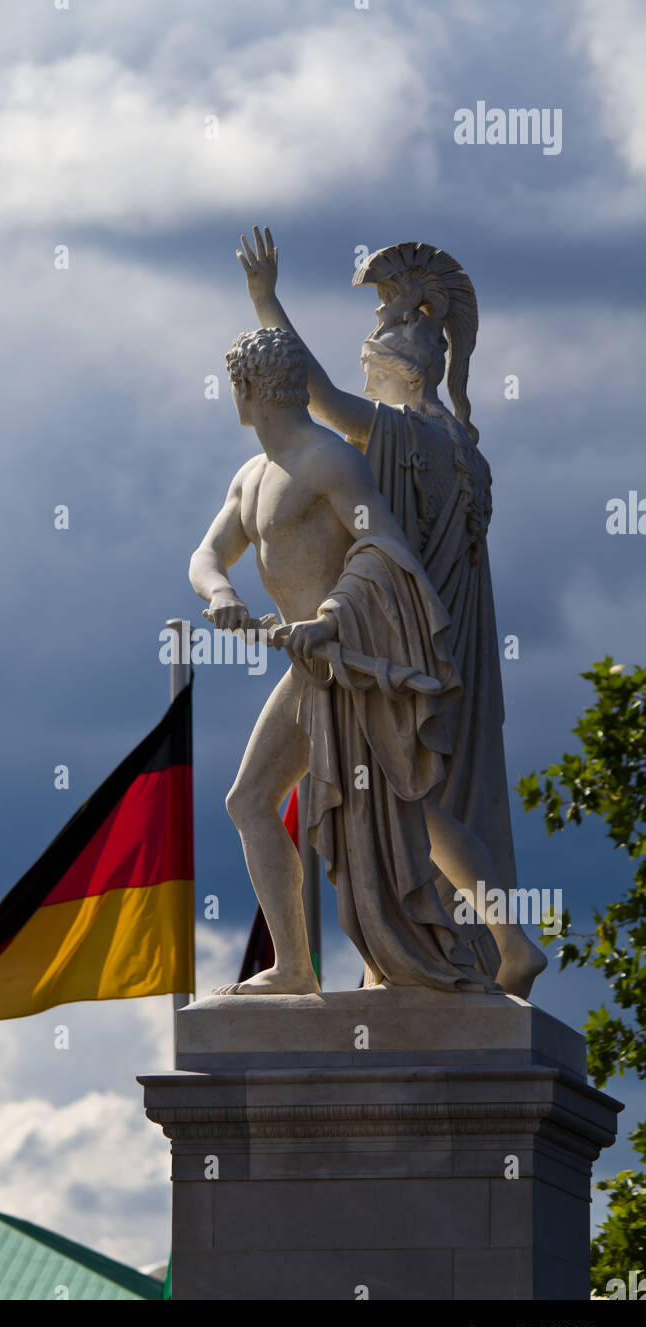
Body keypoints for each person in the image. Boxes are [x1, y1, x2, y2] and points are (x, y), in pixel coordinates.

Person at [234, 228, 546, 998]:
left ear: (408, 362)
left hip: (387, 643)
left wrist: (268, 302)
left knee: (403, 797)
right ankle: (496, 940)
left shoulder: (400, 432)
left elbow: (314, 396)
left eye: (384, 328)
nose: (371, 337)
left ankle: (486, 942)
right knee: (416, 798)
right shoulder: (461, 445)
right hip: (441, 646)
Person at [189, 325, 502, 996]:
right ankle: (296, 968)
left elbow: (385, 545)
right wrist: (221, 594)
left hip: (356, 660)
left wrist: (332, 618)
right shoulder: (253, 477)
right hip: (310, 673)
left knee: (397, 804)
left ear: (245, 392)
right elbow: (206, 555)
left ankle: (507, 941)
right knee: (256, 801)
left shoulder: (329, 461)